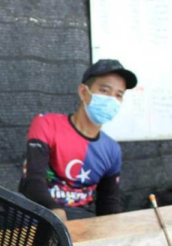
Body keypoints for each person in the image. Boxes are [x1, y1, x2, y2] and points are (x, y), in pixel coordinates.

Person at [19, 59, 137, 221]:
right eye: (104, 90)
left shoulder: (112, 149)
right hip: (38, 215)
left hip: (83, 221)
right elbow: (33, 181)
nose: (111, 100)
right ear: (83, 92)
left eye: (118, 95)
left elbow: (108, 202)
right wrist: (55, 211)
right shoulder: (46, 124)